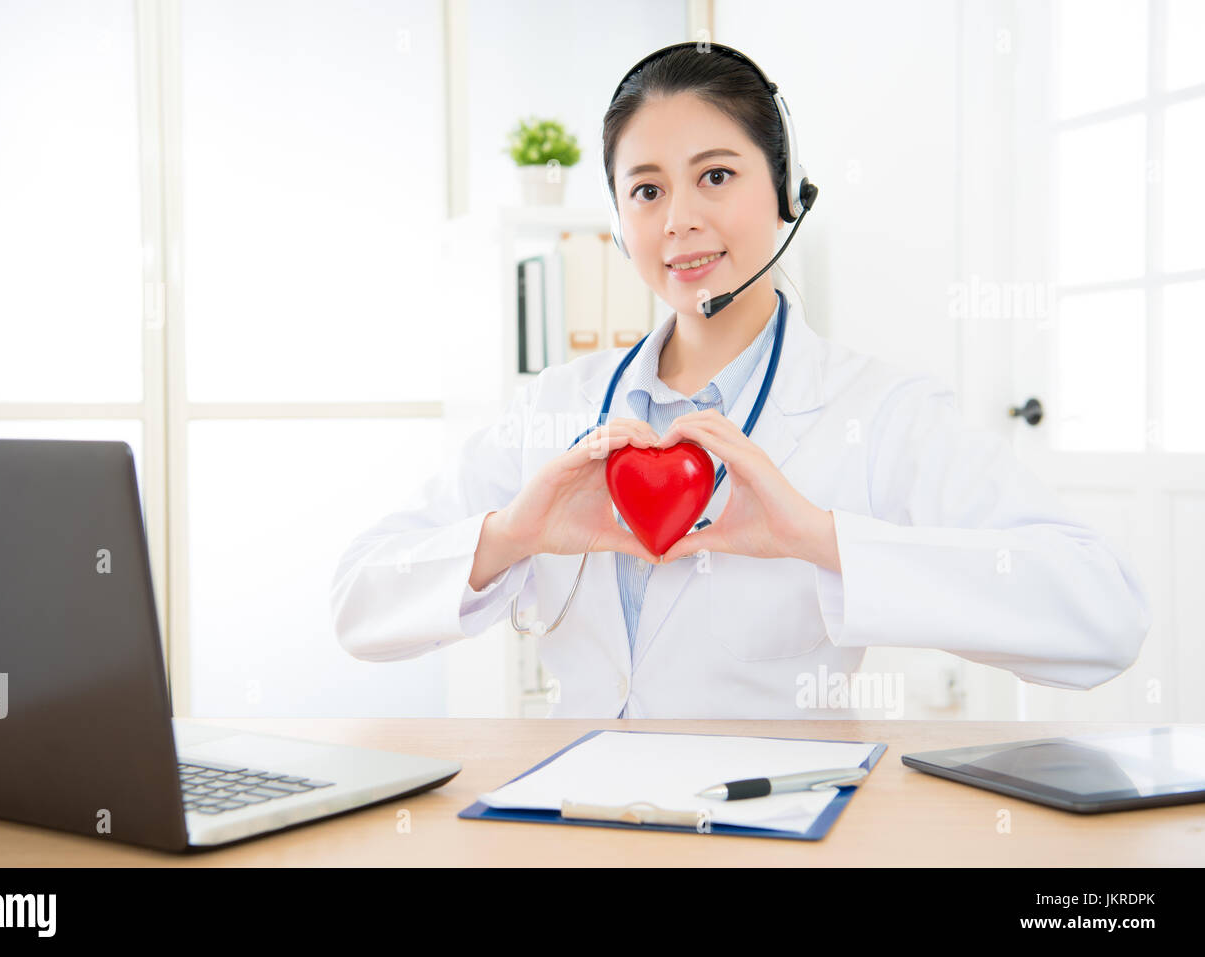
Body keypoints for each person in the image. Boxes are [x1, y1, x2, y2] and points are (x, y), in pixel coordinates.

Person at [329, 42, 1151, 719]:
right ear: (619, 226)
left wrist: (821, 540)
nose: (679, 217)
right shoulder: (555, 407)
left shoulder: (880, 412)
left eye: (716, 175)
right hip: (573, 814)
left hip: (778, 830)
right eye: (646, 190)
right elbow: (358, 604)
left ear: (787, 192)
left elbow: (1105, 614)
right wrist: (510, 535)